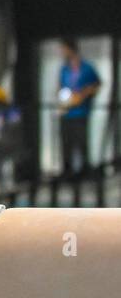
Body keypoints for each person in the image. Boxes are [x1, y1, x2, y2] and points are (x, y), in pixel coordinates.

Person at [57, 38, 100, 196]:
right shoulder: (64, 69)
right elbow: (61, 87)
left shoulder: (87, 68)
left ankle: (84, 171)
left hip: (81, 111)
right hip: (67, 111)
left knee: (81, 141)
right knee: (66, 142)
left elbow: (96, 85)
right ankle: (67, 171)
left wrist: (82, 95)